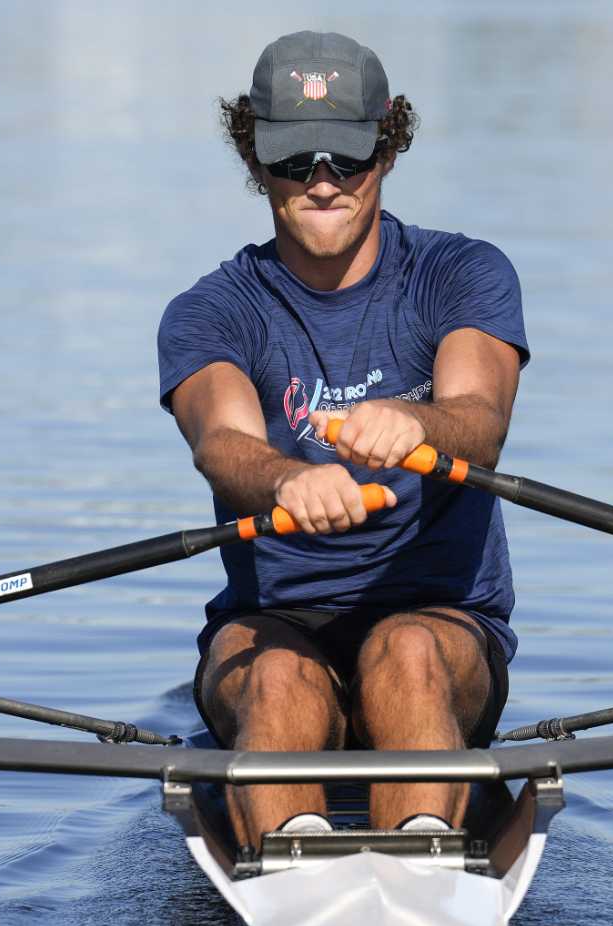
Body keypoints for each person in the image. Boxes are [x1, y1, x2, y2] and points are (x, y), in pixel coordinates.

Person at [157, 30, 529, 852]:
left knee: (403, 652)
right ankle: (294, 868)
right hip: (275, 626)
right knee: (282, 674)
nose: (322, 182)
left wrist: (419, 423)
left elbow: (481, 419)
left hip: (440, 624)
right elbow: (220, 439)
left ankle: (425, 869)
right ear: (254, 158)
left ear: (388, 146)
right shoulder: (211, 311)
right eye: (294, 161)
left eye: (346, 157)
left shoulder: (462, 274)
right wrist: (287, 480)